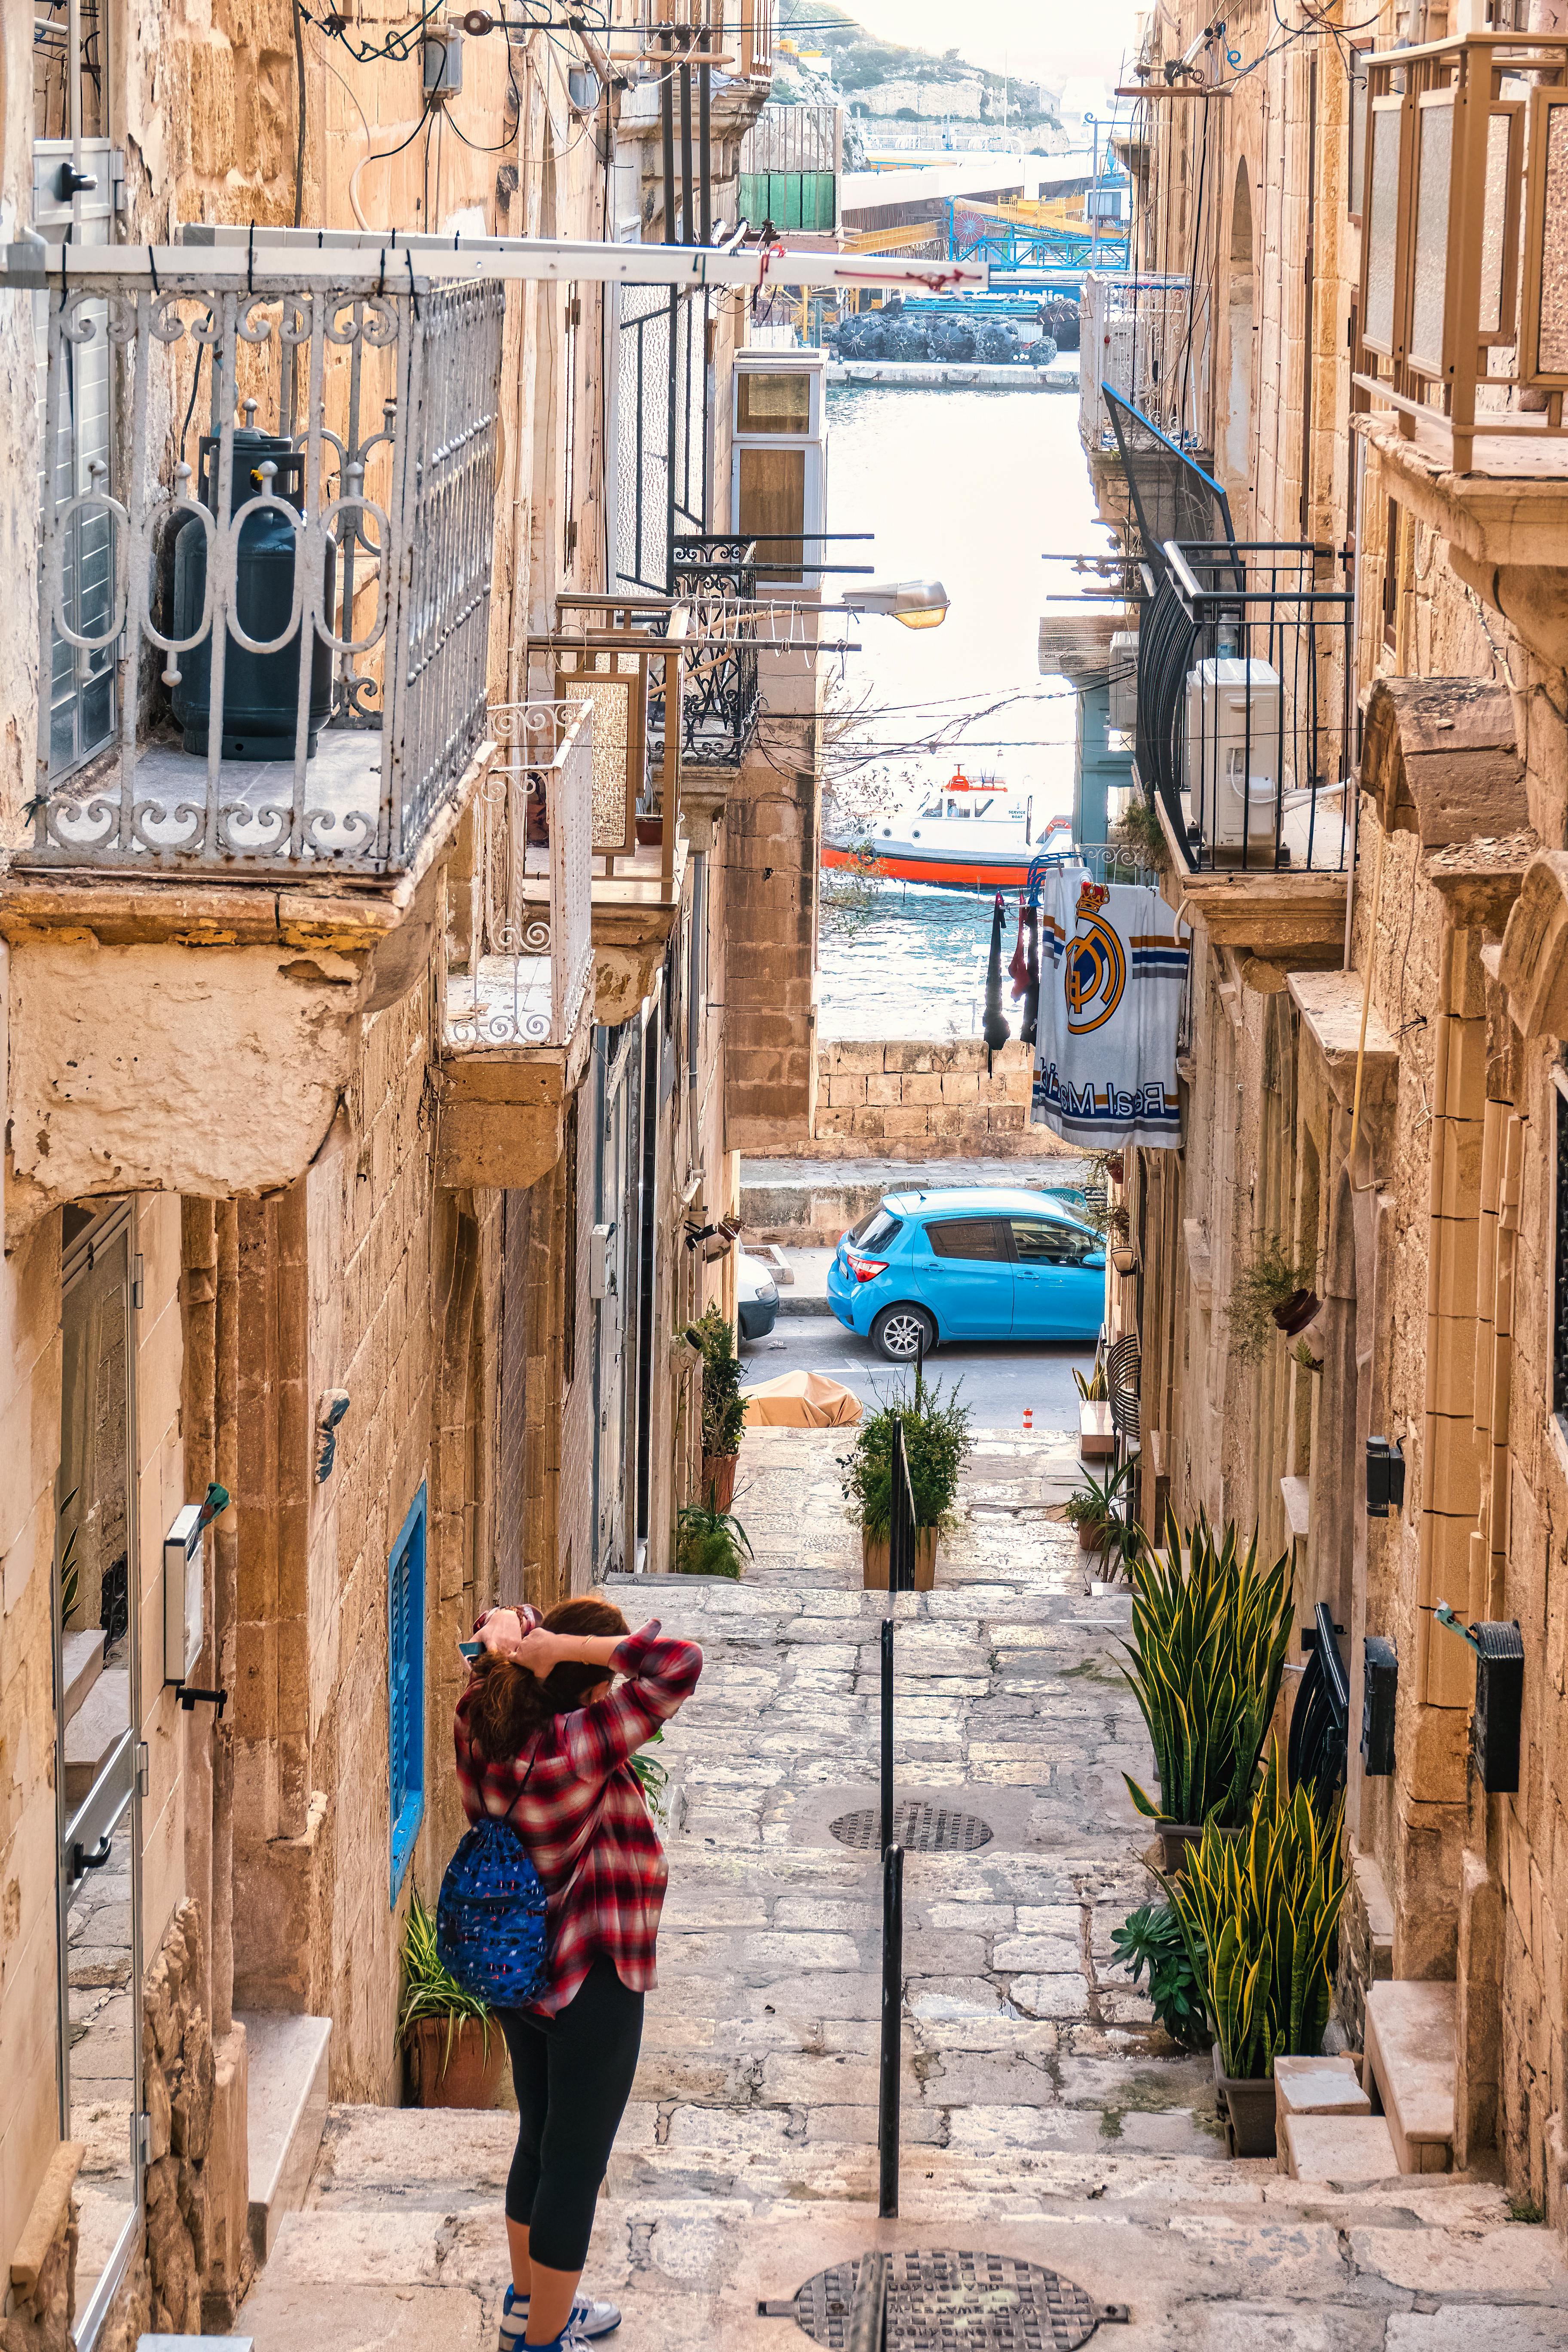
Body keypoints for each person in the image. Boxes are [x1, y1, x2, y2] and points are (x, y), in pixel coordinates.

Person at [456, 1597, 703, 2352]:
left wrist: (514, 1625)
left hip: (517, 1970)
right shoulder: (581, 1744)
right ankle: (544, 2341)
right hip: (590, 1979)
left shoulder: (477, 1722)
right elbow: (678, 1664)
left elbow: (490, 1635)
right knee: (574, 2166)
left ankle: (527, 2309)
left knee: (538, 2141)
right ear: (591, 1688)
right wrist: (570, 1645)